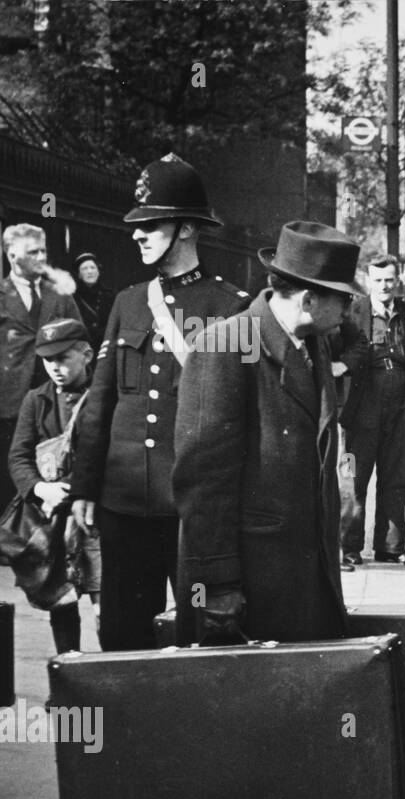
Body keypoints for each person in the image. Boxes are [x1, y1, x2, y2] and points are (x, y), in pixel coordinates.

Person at [69, 153, 249, 651]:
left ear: (188, 228)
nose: (137, 235)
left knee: (200, 642)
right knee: (121, 639)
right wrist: (84, 487)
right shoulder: (128, 301)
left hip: (190, 511)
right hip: (122, 504)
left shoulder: (230, 306)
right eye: (137, 225)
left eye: (151, 225)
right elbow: (100, 401)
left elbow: (238, 418)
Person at [174, 221, 361, 645]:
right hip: (247, 588)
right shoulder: (225, 345)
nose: (348, 311)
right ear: (310, 299)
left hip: (303, 579)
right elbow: (202, 479)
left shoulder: (312, 345)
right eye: (344, 298)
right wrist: (218, 585)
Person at [5, 318, 101, 652]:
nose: (55, 368)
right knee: (61, 600)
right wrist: (38, 488)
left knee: (105, 600)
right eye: (48, 360)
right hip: (52, 518)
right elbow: (18, 456)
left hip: (94, 515)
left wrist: (78, 487)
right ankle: (68, 678)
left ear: (87, 354)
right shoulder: (36, 399)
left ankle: (111, 680)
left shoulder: (103, 396)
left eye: (63, 358)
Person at [338, 254, 405, 568]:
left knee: (397, 478)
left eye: (389, 279)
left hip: (402, 406)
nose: (384, 286)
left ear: (397, 279)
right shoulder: (351, 312)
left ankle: (391, 547)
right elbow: (339, 352)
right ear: (367, 280)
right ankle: (348, 549)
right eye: (378, 280)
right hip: (361, 408)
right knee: (353, 478)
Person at [1, 224, 83, 510]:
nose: (41, 256)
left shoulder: (59, 294)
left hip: (55, 403)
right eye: (32, 251)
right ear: (12, 255)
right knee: (11, 480)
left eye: (43, 250)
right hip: (8, 406)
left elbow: (80, 339)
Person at [72, 253, 112, 347]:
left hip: (105, 345)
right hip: (82, 346)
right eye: (84, 269)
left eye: (93, 267)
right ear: (79, 274)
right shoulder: (73, 297)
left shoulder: (110, 295)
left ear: (98, 272)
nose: (89, 271)